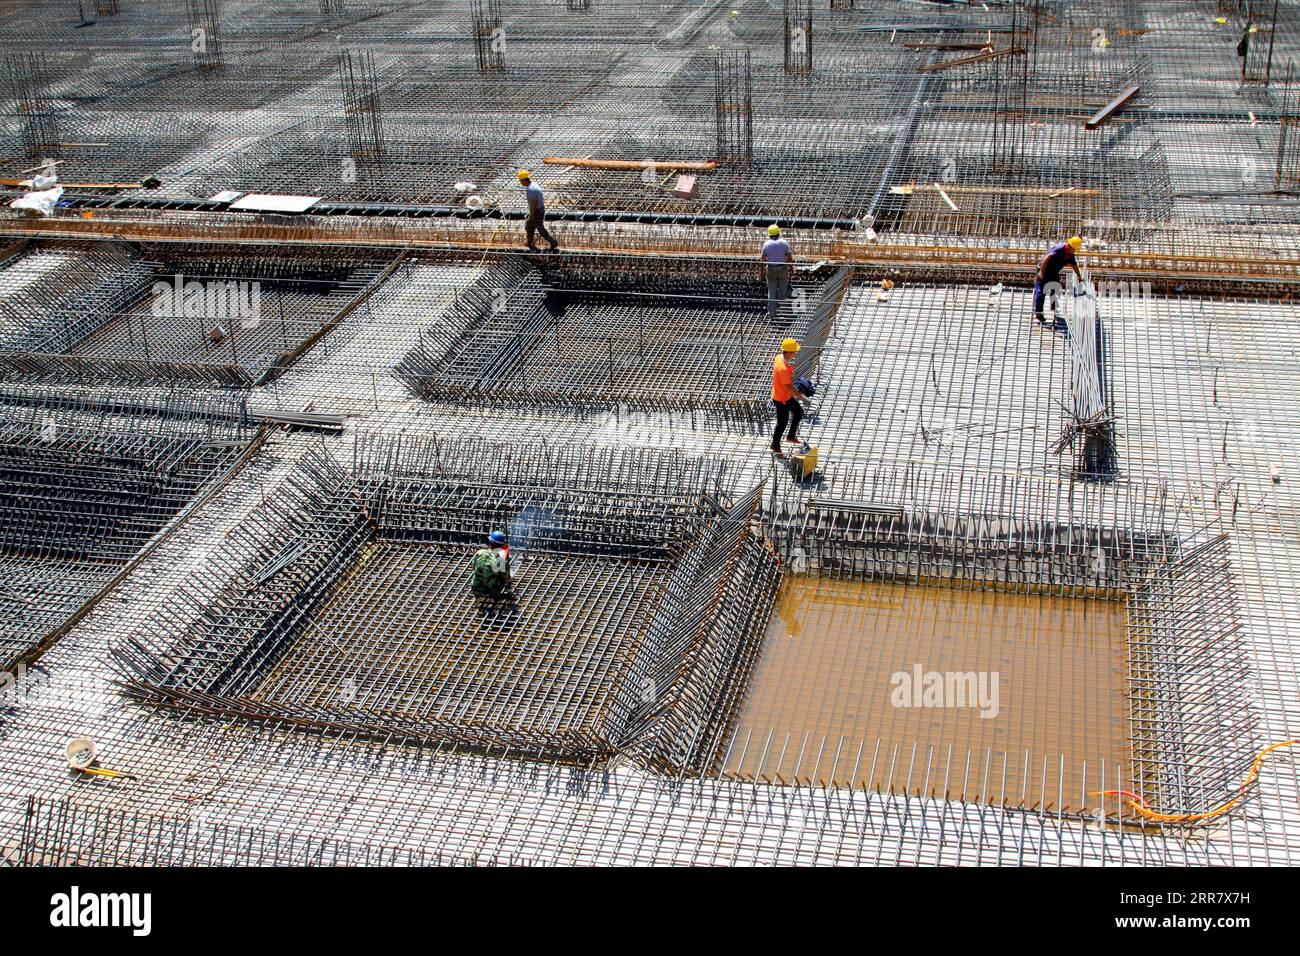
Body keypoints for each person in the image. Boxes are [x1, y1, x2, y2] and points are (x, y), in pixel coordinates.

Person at [771, 337, 809, 457]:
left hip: (784, 395)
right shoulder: (782, 369)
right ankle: (775, 446)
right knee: (782, 422)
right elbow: (789, 387)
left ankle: (790, 436)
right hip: (781, 398)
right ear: (788, 352)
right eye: (794, 352)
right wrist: (802, 398)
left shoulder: (779, 357)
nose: (795, 354)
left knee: (798, 412)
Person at [1033, 234, 1083, 326]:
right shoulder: (1059, 249)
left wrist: (1079, 277)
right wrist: (1041, 273)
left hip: (1053, 272)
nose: (1075, 251)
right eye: (1075, 249)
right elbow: (1046, 259)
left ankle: (1053, 306)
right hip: (1044, 270)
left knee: (1055, 288)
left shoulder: (1070, 254)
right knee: (1041, 292)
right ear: (1070, 246)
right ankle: (1038, 313)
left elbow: (1074, 265)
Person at [517, 170, 559, 252]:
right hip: (539, 209)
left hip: (536, 211)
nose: (520, 183)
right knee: (529, 226)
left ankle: (553, 242)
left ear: (524, 180)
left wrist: (532, 215)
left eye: (520, 181)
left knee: (540, 229)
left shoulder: (530, 189)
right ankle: (529, 242)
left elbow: (534, 203)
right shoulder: (534, 184)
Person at [760, 224, 792, 318]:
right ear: (778, 233)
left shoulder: (766, 244)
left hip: (771, 269)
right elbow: (789, 257)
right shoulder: (784, 243)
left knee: (772, 292)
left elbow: (762, 259)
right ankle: (785, 312)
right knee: (783, 291)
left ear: (769, 234)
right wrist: (791, 268)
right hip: (782, 268)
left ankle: (772, 314)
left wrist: (761, 272)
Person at [470, 530, 511, 598]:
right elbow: (507, 577)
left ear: (489, 542)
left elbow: (473, 567)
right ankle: (495, 594)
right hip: (491, 592)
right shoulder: (500, 560)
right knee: (502, 578)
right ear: (501, 547)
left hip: (476, 589)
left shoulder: (480, 553)